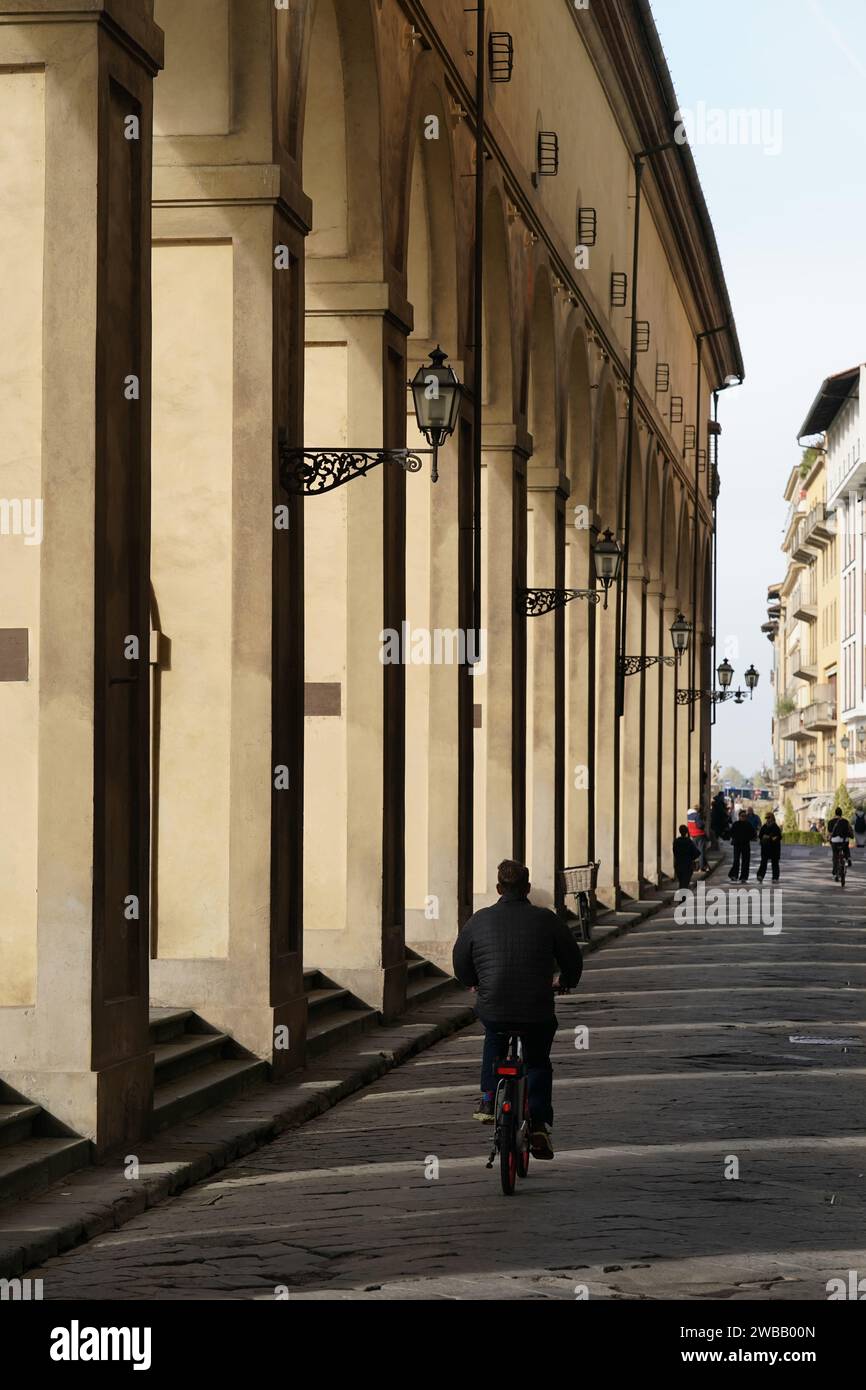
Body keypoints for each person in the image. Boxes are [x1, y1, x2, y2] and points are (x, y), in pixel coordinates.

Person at [452, 858, 583, 1160]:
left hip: (494, 1004)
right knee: (537, 1062)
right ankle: (537, 1124)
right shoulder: (546, 919)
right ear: (527, 888)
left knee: (494, 1034)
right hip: (536, 1007)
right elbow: (572, 957)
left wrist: (474, 981)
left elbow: (460, 961)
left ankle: (487, 1098)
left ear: (499, 888)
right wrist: (566, 981)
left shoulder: (478, 920)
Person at [729, 809, 756, 882]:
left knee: (746, 861)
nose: (744, 817)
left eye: (745, 816)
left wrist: (748, 838)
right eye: (742, 816)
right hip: (737, 845)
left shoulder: (748, 824)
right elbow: (731, 833)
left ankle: (744, 877)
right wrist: (735, 837)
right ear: (739, 816)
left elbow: (753, 834)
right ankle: (734, 875)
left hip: (745, 845)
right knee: (736, 860)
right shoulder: (736, 824)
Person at [756, 811, 782, 882]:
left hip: (774, 848)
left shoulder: (776, 827)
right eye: (766, 818)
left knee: (775, 863)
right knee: (763, 862)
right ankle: (760, 876)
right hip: (765, 848)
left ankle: (775, 877)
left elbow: (778, 837)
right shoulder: (764, 827)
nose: (767, 819)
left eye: (769, 818)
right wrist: (763, 838)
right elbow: (760, 836)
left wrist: (769, 837)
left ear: (773, 818)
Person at [673, 824, 701, 889]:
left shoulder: (676, 841)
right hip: (687, 864)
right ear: (686, 832)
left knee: (681, 882)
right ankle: (683, 897)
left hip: (678, 864)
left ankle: (682, 896)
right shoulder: (689, 841)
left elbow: (675, 852)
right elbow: (697, 853)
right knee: (685, 882)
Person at [827, 806, 853, 871]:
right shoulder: (846, 821)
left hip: (835, 841)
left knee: (835, 855)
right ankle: (848, 858)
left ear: (835, 813)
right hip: (844, 840)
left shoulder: (830, 822)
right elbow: (849, 830)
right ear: (841, 814)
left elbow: (830, 832)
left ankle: (834, 871)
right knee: (846, 848)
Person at [687, 804, 708, 871]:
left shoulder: (689, 815)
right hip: (699, 834)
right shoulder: (696, 815)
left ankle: (702, 866)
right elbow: (700, 825)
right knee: (701, 851)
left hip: (693, 834)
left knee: (696, 851)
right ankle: (701, 867)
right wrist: (703, 823)